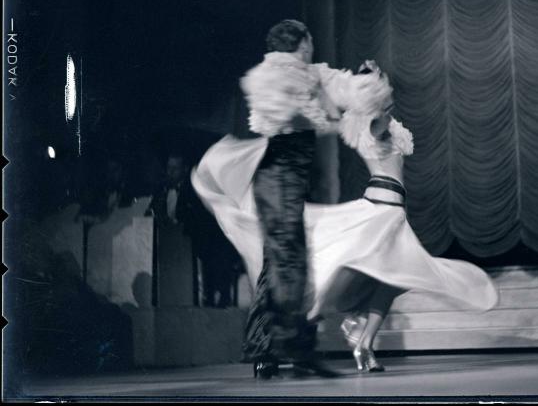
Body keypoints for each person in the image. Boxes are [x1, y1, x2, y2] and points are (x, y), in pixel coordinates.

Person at [192, 60, 499, 374]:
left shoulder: (382, 123)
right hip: (380, 210)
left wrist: (378, 81)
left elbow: (385, 114)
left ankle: (363, 342)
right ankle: (319, 328)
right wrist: (376, 86)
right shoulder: (370, 123)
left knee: (389, 282)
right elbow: (381, 113)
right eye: (368, 87)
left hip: (393, 210)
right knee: (371, 273)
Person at [233, 19, 363, 379]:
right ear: (302, 43)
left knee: (286, 264)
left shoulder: (308, 74)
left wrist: (360, 86)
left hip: (288, 182)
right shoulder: (274, 76)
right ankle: (279, 347)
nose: (313, 46)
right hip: (275, 179)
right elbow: (282, 114)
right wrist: (325, 116)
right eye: (310, 41)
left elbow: (337, 93)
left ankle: (282, 347)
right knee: (283, 264)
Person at [147, 152, 240, 308]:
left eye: (175, 169)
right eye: (169, 168)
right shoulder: (161, 190)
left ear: (184, 170)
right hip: (168, 246)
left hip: (192, 244)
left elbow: (200, 219)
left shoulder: (194, 191)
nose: (170, 172)